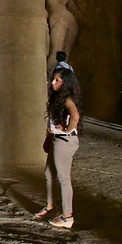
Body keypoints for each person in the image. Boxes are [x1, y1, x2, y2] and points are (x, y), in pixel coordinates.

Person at [35, 64, 82, 229]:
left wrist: (67, 131)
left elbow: (75, 116)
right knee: (48, 173)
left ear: (65, 83)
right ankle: (49, 205)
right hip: (56, 139)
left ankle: (67, 216)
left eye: (57, 80)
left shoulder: (67, 99)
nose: (53, 83)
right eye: (53, 79)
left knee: (63, 178)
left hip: (64, 142)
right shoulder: (58, 97)